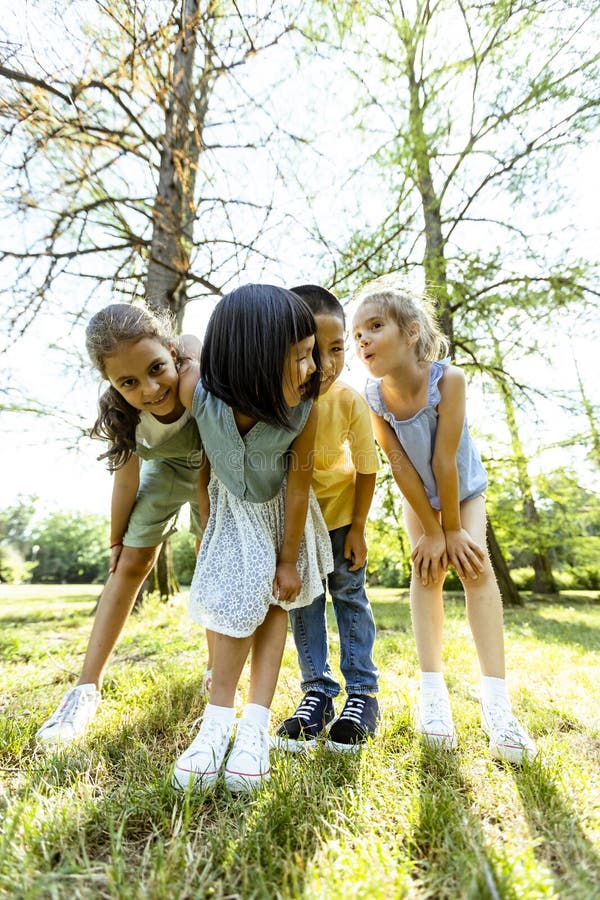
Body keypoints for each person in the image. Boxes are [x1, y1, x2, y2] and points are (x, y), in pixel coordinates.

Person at [352, 277, 537, 764]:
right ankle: (432, 697)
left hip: (462, 490)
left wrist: (452, 529)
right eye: (357, 334)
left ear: (411, 331)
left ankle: (498, 708)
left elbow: (445, 461)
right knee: (426, 572)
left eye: (374, 327)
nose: (362, 340)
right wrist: (431, 532)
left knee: (475, 570)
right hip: (420, 499)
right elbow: (398, 463)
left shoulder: (447, 380)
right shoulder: (372, 397)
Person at [172, 284, 333, 793]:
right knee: (225, 609)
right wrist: (202, 510)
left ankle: (254, 727)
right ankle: (217, 724)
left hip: (280, 518)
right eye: (302, 357)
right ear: (254, 362)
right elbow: (190, 343)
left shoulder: (303, 410)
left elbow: (301, 483)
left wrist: (288, 560)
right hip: (229, 514)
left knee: (270, 607)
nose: (313, 369)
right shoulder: (195, 390)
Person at [36, 302, 212, 746]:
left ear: (172, 351)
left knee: (212, 555)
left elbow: (194, 343)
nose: (151, 389)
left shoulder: (193, 361)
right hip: (167, 472)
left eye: (157, 368)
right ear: (111, 383)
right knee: (130, 563)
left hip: (216, 466)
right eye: (128, 381)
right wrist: (117, 541)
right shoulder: (124, 415)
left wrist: (189, 358)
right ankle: (84, 689)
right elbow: (126, 482)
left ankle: (217, 674)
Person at [273, 285, 380, 753]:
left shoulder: (349, 400)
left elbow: (367, 465)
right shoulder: (276, 400)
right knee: (304, 604)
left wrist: (357, 526)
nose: (329, 361)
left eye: (338, 348)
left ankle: (362, 695)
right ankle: (316, 692)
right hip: (296, 525)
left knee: (349, 597)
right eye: (316, 350)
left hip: (339, 518)